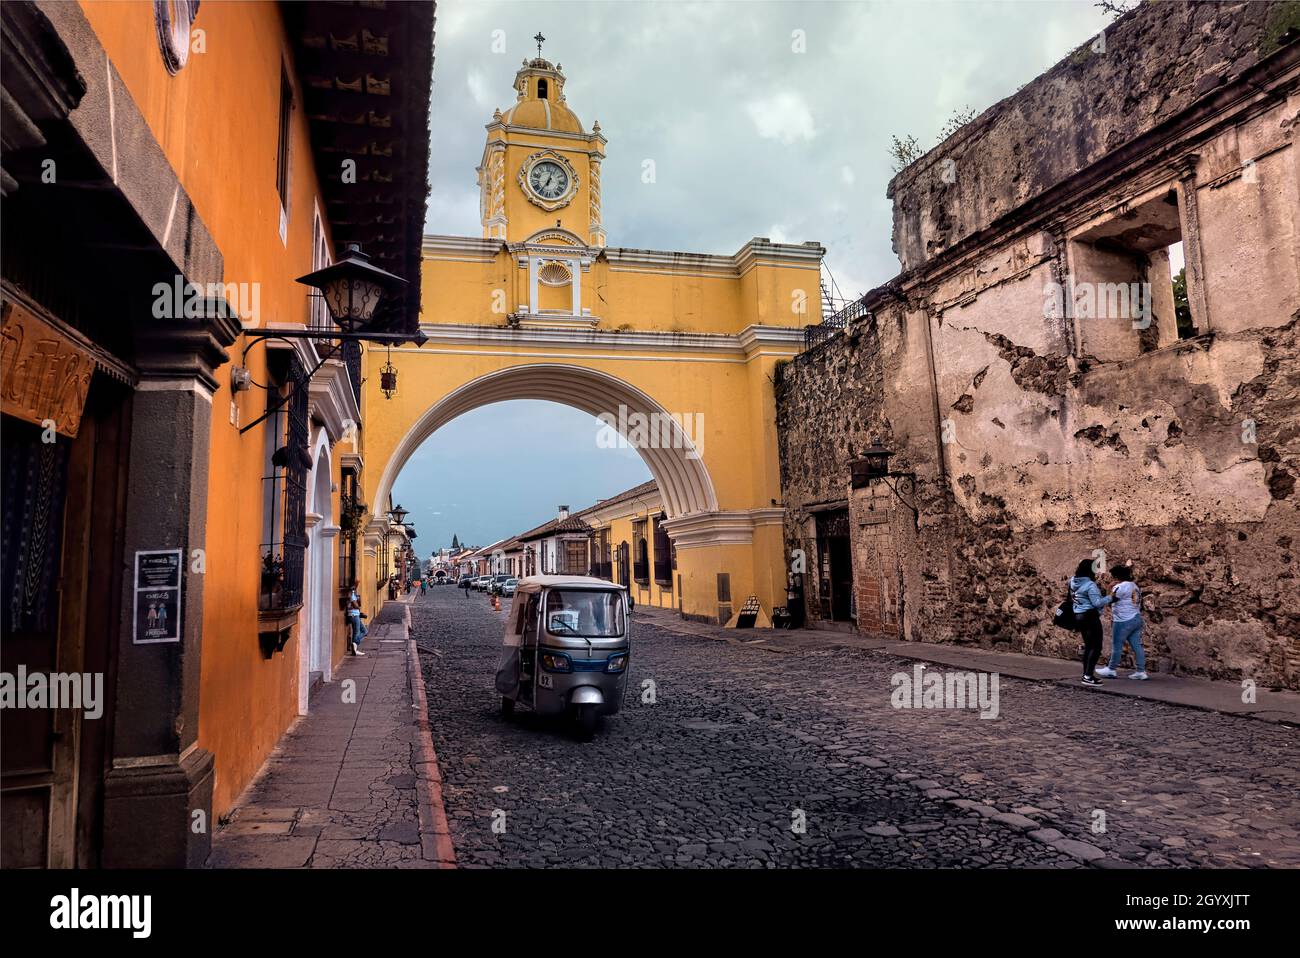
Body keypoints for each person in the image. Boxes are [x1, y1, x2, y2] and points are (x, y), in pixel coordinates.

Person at [1097, 564, 1148, 680]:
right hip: (1136, 618)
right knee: (1137, 646)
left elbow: (1110, 600)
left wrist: (1109, 589)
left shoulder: (1120, 587)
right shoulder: (1134, 586)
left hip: (1123, 620)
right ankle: (1141, 671)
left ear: (1116, 576)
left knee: (1117, 646)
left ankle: (1111, 669)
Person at [1069, 558, 1112, 686]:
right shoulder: (1090, 585)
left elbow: (1071, 597)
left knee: (1089, 646)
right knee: (1096, 646)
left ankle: (1086, 674)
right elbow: (1097, 603)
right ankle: (1088, 676)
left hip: (1078, 615)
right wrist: (1111, 598)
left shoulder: (1072, 581)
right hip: (1090, 616)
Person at [346, 584, 368, 656]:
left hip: (355, 615)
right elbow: (356, 605)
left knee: (364, 631)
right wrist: (358, 606)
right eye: (356, 585)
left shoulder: (352, 593)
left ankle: (354, 645)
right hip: (354, 615)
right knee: (356, 632)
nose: (357, 586)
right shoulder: (351, 594)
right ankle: (355, 646)